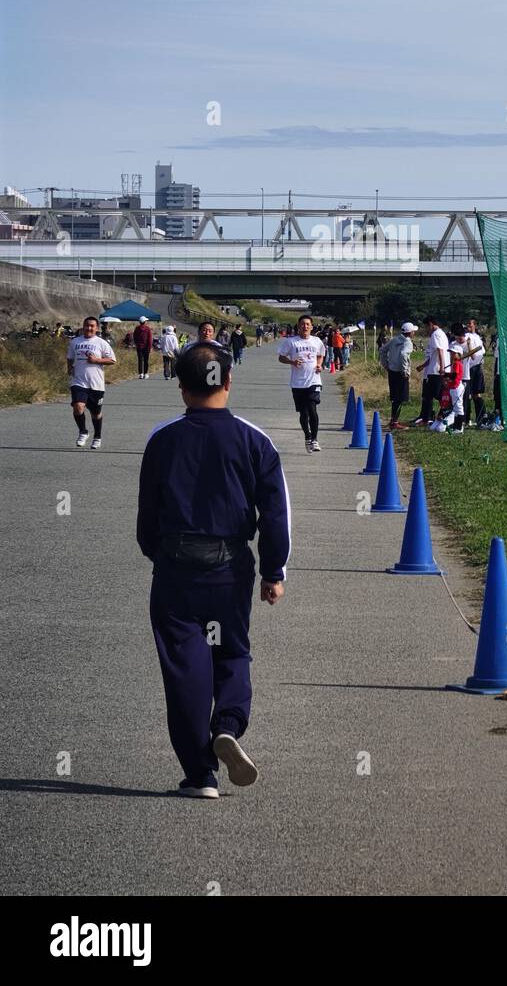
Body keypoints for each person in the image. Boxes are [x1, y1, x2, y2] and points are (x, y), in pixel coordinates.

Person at [136, 342, 290, 798]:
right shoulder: (254, 440)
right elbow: (276, 513)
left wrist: (156, 554)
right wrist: (274, 571)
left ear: (180, 388)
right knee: (230, 651)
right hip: (229, 567)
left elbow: (148, 512)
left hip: (175, 568)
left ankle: (199, 774)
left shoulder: (163, 439)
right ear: (228, 380)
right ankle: (227, 724)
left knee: (184, 666)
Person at [66, 315, 116, 450]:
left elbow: (112, 360)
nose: (89, 328)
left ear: (96, 328)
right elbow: (70, 357)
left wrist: (96, 361)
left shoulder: (101, 343)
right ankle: (83, 431)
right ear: (83, 326)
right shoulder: (75, 342)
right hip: (79, 381)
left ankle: (97, 437)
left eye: (92, 326)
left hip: (96, 383)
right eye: (87, 325)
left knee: (96, 413)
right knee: (78, 407)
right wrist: (69, 368)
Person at [278, 314, 326, 452]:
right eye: (302, 324)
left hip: (314, 381)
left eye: (307, 324)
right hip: (297, 383)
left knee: (312, 410)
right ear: (298, 326)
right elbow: (281, 357)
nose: (305, 326)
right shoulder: (291, 342)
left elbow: (321, 354)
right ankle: (307, 437)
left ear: (311, 327)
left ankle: (315, 440)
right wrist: (291, 361)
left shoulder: (317, 341)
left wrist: (319, 365)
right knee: (303, 413)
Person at [412, 315, 450, 425]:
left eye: (426, 327)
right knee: (429, 395)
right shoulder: (442, 334)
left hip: (436, 371)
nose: (426, 329)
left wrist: (442, 369)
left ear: (431, 324)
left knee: (437, 395)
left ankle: (444, 414)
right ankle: (427, 418)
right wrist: (423, 366)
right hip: (434, 369)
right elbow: (433, 356)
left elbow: (440, 352)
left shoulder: (436, 334)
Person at [381, 322, 417, 429]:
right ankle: (395, 422)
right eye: (413, 331)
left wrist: (386, 364)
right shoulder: (408, 342)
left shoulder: (394, 340)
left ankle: (393, 420)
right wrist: (405, 371)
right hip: (401, 373)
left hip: (392, 371)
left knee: (395, 398)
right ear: (410, 332)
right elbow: (403, 355)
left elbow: (382, 350)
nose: (414, 332)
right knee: (400, 398)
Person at [462, 318, 487, 427]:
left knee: (477, 393)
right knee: (468, 394)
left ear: (474, 325)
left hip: (478, 367)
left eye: (470, 324)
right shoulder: (466, 336)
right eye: (467, 323)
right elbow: (468, 352)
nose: (468, 325)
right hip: (469, 368)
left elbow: (483, 351)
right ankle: (466, 419)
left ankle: (481, 417)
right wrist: (468, 345)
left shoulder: (478, 337)